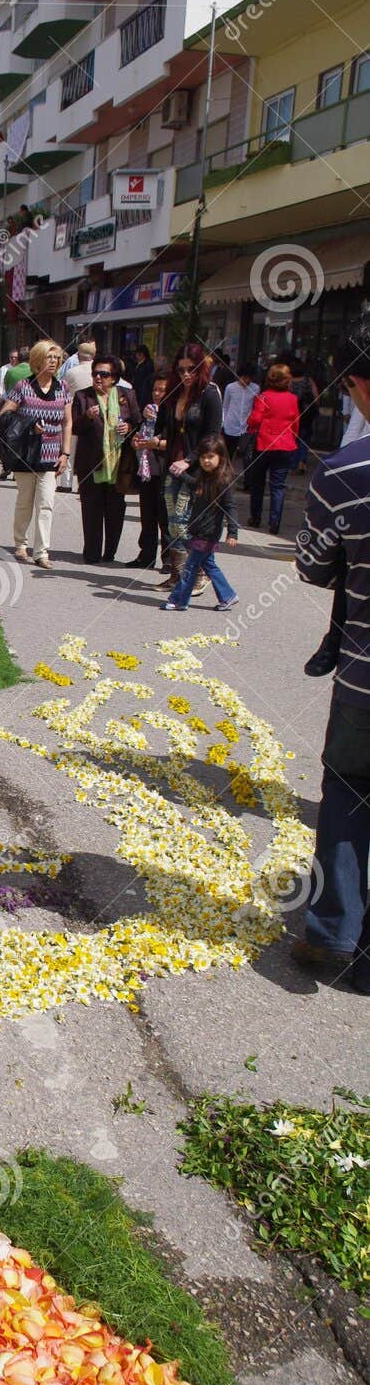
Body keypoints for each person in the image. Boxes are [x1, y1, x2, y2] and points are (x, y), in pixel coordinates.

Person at [292, 321, 370, 993]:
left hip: (364, 681)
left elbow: (312, 566)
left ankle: (331, 931)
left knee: (347, 791)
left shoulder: (342, 472)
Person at [0, 339, 72, 570]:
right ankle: (21, 544)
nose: (54, 361)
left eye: (57, 358)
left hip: (51, 455)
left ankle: (41, 552)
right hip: (26, 453)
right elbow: (4, 416)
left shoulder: (63, 388)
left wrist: (65, 453)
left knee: (46, 503)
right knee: (25, 502)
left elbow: (67, 422)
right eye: (49, 357)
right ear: (38, 360)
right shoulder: (23, 387)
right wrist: (30, 425)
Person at [155, 343, 223, 591]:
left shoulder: (209, 394)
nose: (186, 374)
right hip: (172, 466)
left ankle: (198, 574)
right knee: (171, 522)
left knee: (184, 521)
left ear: (201, 368)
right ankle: (177, 574)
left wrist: (189, 460)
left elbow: (212, 436)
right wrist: (152, 432)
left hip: (196, 470)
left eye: (191, 369)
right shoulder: (174, 392)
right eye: (181, 369)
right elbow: (165, 426)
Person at [71, 354, 140, 564]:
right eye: (95, 373)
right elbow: (74, 427)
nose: (98, 377)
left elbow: (137, 422)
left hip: (119, 463)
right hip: (91, 462)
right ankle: (92, 553)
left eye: (104, 374)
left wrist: (129, 427)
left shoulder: (127, 395)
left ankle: (110, 552)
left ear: (114, 377)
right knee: (91, 508)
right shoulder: (83, 396)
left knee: (115, 508)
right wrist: (87, 417)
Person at [162, 436, 239, 611]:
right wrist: (180, 474)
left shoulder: (223, 481)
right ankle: (228, 596)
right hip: (198, 531)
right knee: (209, 565)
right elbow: (194, 484)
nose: (206, 461)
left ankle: (179, 600)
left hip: (208, 533)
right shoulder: (206, 477)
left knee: (190, 567)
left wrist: (232, 532)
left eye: (211, 456)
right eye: (203, 457)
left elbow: (231, 507)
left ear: (221, 457)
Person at [246, 364, 300, 532]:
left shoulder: (263, 397)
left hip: (263, 444)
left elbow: (255, 420)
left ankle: (255, 518)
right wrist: (292, 437)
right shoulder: (292, 399)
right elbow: (296, 422)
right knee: (278, 486)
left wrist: (250, 424)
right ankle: (275, 522)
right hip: (285, 444)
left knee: (258, 483)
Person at [126, 374, 170, 569]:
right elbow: (138, 435)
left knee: (165, 517)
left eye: (162, 390)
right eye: (155, 390)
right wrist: (135, 441)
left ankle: (169, 560)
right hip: (146, 470)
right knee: (147, 516)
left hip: (164, 470)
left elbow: (175, 443)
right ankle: (146, 556)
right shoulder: (148, 412)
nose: (157, 394)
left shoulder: (172, 414)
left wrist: (156, 444)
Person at [221, 363, 260, 467]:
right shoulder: (230, 387)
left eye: (249, 378)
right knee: (227, 453)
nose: (246, 380)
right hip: (230, 426)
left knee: (245, 455)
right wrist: (223, 424)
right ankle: (226, 473)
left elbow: (255, 407)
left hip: (246, 427)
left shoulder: (256, 388)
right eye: (244, 377)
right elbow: (225, 406)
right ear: (239, 376)